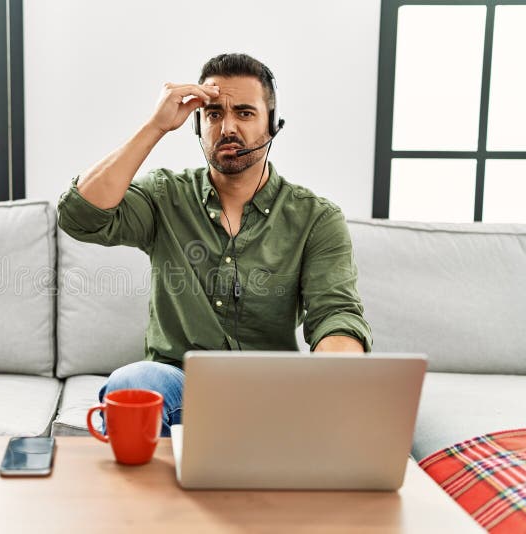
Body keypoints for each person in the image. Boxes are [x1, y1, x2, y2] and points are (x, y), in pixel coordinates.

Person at [56, 53, 372, 437]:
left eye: (244, 113)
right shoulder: (165, 195)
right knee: (133, 383)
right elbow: (79, 215)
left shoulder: (316, 218)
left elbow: (336, 314)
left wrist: (333, 379)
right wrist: (156, 126)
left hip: (272, 391)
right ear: (198, 124)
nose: (227, 127)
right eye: (213, 114)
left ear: (273, 125)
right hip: (179, 386)